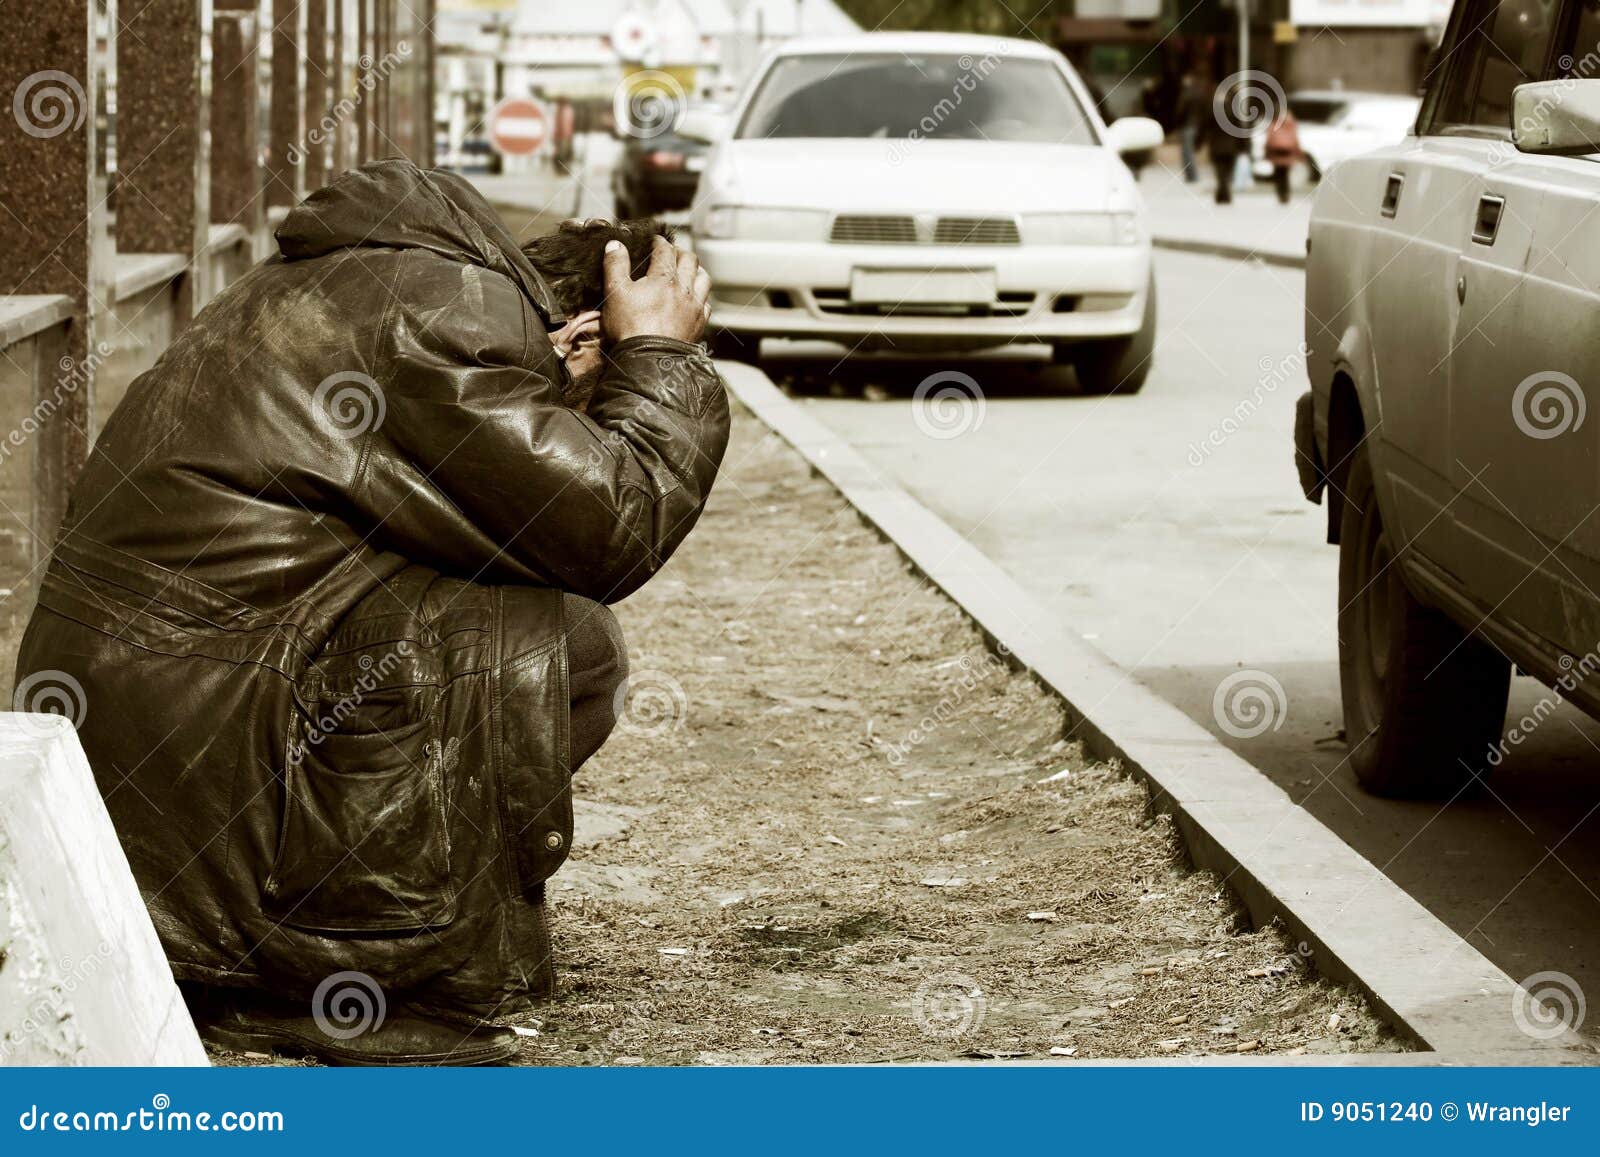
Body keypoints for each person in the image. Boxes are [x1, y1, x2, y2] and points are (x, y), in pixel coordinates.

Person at [13, 159, 729, 1065]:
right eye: (595, 395)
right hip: (189, 737)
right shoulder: (450, 319)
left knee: (498, 625)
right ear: (585, 337)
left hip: (166, 712)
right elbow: (609, 523)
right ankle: (309, 970)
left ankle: (326, 952)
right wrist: (660, 357)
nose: (580, 413)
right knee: (566, 647)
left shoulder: (367, 281)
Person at [1265, 105, 1303, 205]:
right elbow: (1295, 139)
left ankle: (1280, 193)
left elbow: (1269, 138)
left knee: (1278, 174)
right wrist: (1298, 152)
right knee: (1285, 174)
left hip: (1276, 151)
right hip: (1288, 151)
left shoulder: (1275, 124)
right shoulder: (1291, 124)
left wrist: (1266, 151)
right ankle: (1285, 194)